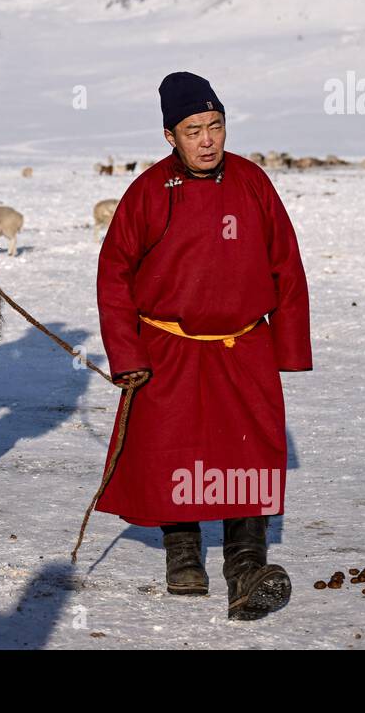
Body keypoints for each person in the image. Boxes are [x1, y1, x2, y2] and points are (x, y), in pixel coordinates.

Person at [95, 71, 312, 620]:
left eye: (216, 126)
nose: (208, 140)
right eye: (194, 130)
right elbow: (113, 273)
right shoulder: (147, 192)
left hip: (244, 344)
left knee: (248, 453)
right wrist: (127, 354)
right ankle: (183, 555)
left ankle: (246, 569)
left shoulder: (253, 182)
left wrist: (288, 347)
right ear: (171, 136)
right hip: (169, 346)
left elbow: (286, 262)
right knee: (175, 450)